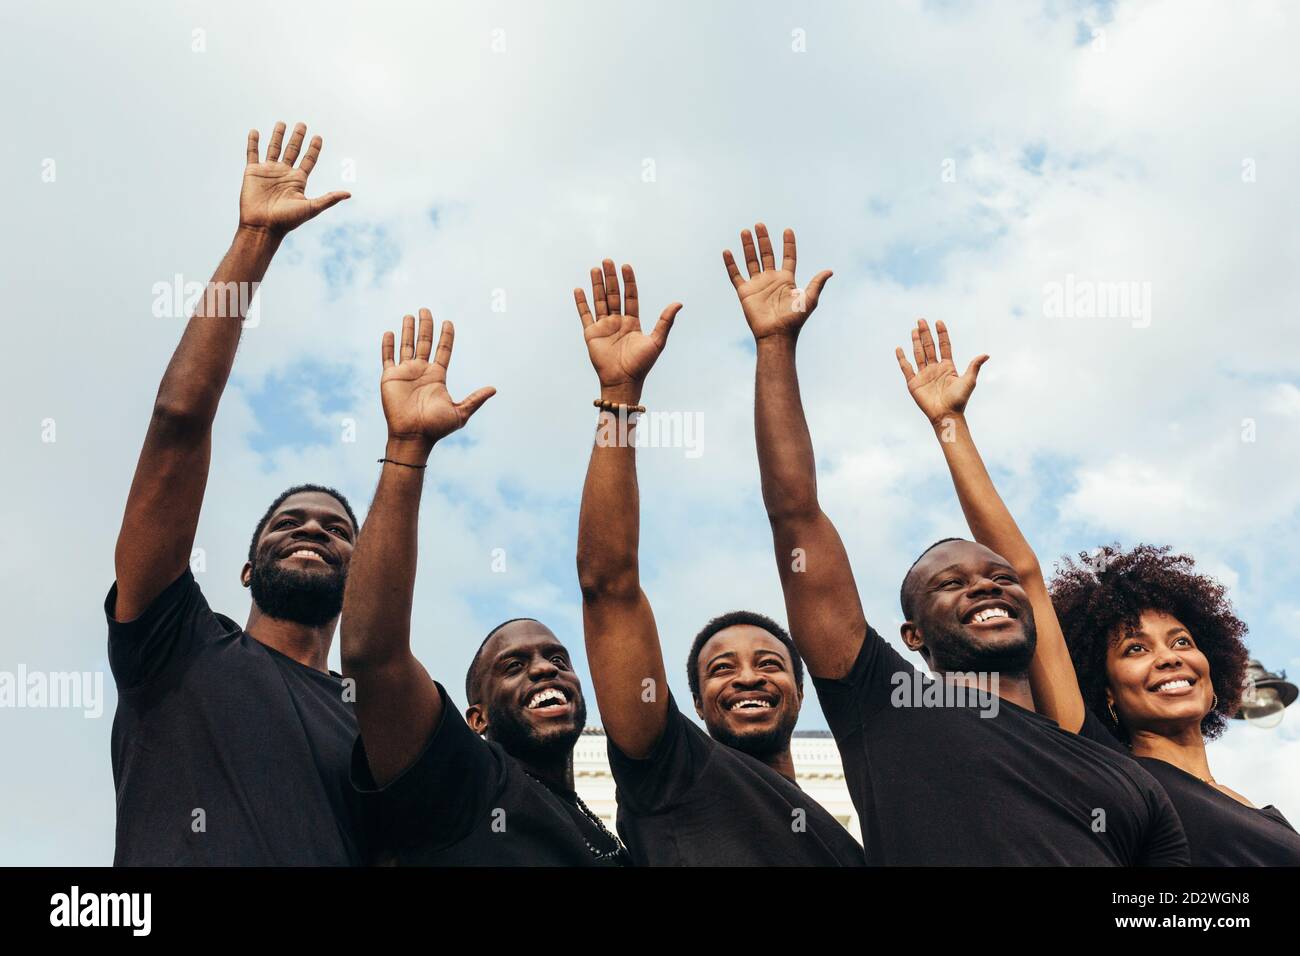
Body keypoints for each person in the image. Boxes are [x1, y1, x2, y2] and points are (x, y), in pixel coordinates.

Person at [738, 222, 1189, 864]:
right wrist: (774, 346)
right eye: (951, 584)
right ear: (912, 636)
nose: (986, 584)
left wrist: (951, 424)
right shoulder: (885, 703)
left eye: (997, 578)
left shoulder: (1121, 777)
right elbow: (795, 515)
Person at [107, 123, 369, 865]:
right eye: (288, 522)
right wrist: (255, 240)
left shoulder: (371, 722)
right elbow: (177, 422)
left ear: (357, 577)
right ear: (247, 570)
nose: (313, 529)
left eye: (335, 527)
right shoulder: (179, 644)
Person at [573, 260, 863, 865]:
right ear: (698, 706)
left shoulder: (850, 843)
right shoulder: (674, 773)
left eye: (769, 664)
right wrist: (619, 402)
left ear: (800, 694)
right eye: (722, 669)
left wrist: (776, 343)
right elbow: (608, 586)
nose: (749, 677)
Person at [342, 311, 627, 865]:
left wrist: (620, 393)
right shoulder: (470, 782)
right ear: (477, 719)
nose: (546, 669)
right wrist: (406, 448)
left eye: (557, 658)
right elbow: (372, 657)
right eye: (514, 666)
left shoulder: (613, 832)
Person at [1051, 545, 1300, 865]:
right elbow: (1026, 575)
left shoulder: (1264, 814)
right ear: (1106, 690)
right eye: (1136, 649)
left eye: (1181, 641)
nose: (1170, 657)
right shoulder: (1116, 776)